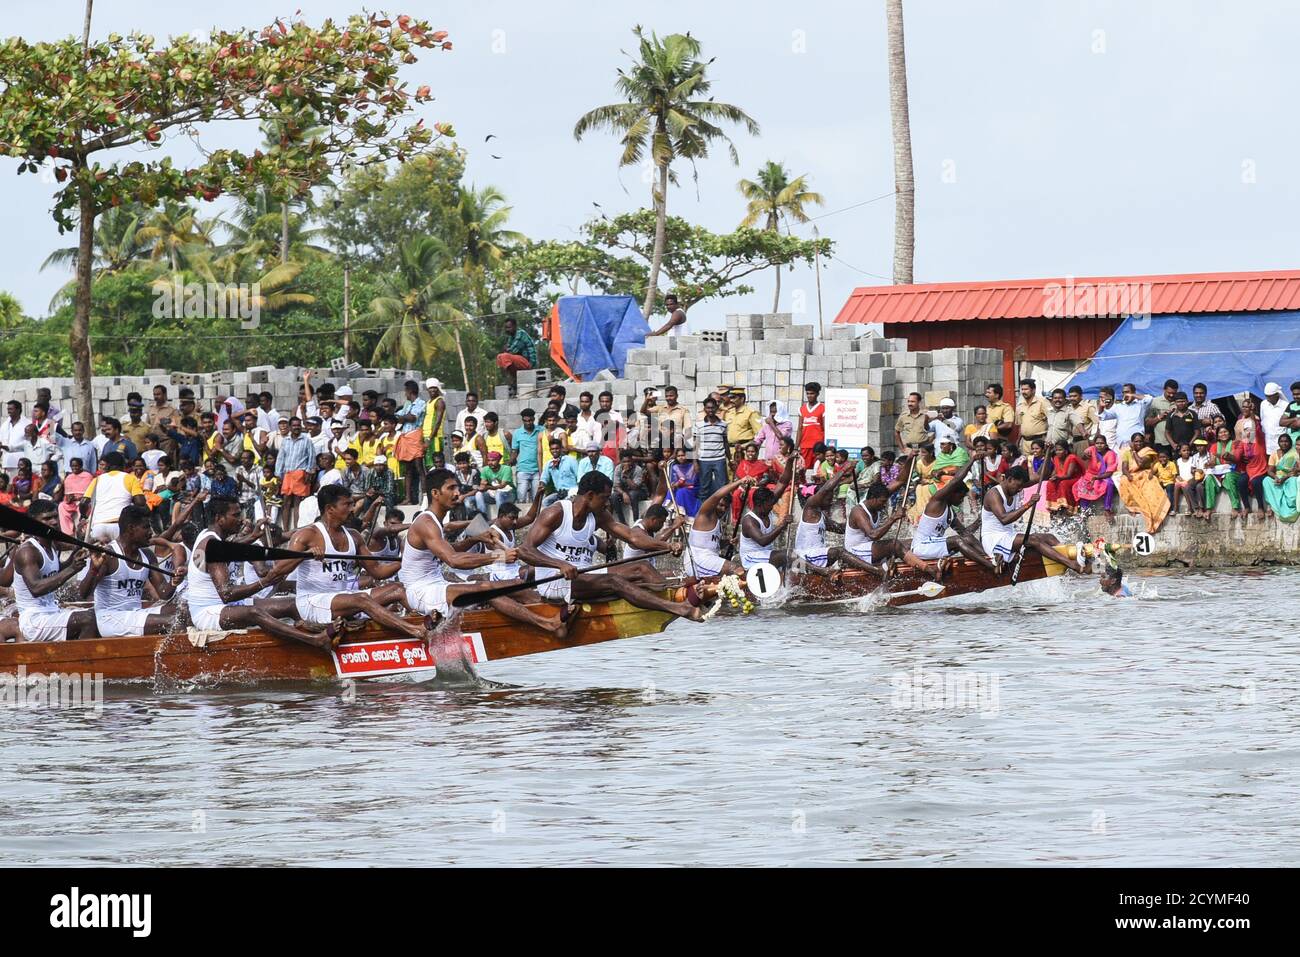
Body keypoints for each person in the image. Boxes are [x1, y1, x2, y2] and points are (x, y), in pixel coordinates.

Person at [518, 471, 702, 619]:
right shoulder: (555, 513)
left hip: (583, 574)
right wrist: (560, 564)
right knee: (614, 581)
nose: (607, 502)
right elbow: (525, 551)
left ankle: (676, 596)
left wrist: (667, 547)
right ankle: (679, 609)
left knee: (642, 568)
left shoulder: (599, 515)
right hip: (553, 581)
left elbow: (632, 537)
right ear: (590, 496)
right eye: (605, 498)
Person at [252, 485, 426, 641]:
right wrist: (304, 555)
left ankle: (426, 624)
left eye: (352, 504)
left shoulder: (354, 536)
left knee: (397, 589)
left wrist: (406, 560)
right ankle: (415, 631)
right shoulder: (306, 535)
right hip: (312, 602)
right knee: (361, 598)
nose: (353, 509)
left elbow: (378, 572)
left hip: (345, 598)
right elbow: (277, 572)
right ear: (330, 509)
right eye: (347, 504)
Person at [77, 505, 179, 637]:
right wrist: (93, 569)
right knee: (173, 621)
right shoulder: (108, 555)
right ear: (131, 528)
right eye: (146, 527)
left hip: (135, 614)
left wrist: (174, 581)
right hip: (111, 619)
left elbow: (164, 593)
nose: (151, 533)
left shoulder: (147, 555)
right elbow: (83, 593)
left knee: (183, 613)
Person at [903, 454, 1000, 580]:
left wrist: (980, 520)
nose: (960, 501)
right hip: (921, 548)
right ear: (952, 493)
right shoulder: (936, 502)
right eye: (960, 497)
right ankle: (990, 566)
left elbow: (965, 533)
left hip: (934, 547)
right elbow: (956, 480)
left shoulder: (950, 513)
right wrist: (972, 459)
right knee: (957, 541)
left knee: (967, 538)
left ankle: (991, 557)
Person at [8, 501, 94, 641]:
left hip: (51, 612)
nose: (54, 522)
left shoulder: (52, 545)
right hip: (34, 620)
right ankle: (80, 662)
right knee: (89, 620)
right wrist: (72, 568)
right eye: (47, 519)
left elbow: (56, 573)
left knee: (95, 614)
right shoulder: (28, 551)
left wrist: (77, 549)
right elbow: (36, 588)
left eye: (55, 517)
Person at [980, 465, 1086, 576]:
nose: (1020, 489)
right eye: (1018, 486)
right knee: (1034, 540)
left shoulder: (1015, 486)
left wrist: (1048, 451)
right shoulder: (994, 494)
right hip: (993, 540)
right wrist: (1028, 504)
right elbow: (1004, 519)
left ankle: (1071, 555)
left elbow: (1041, 476)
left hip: (1008, 535)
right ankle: (1072, 565)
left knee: (1049, 537)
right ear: (1010, 479)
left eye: (1022, 486)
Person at [791, 463, 881, 578]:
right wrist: (843, 470)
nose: (831, 500)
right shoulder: (810, 510)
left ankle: (855, 577)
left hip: (816, 556)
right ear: (819, 498)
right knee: (838, 552)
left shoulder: (821, 516)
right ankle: (877, 571)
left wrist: (858, 519)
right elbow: (826, 488)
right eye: (828, 497)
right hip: (805, 558)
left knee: (847, 556)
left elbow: (841, 529)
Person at [843, 473, 913, 575]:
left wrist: (910, 458)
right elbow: (873, 535)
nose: (884, 505)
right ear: (872, 498)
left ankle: (913, 566)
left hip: (869, 549)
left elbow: (899, 481)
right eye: (882, 502)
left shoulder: (879, 498)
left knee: (911, 543)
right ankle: (926, 569)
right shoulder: (859, 511)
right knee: (894, 544)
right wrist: (893, 517)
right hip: (855, 553)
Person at [737, 459, 797, 570]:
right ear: (760, 504)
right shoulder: (749, 521)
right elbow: (763, 541)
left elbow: (783, 482)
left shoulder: (766, 505)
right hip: (751, 559)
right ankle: (821, 571)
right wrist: (782, 525)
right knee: (786, 555)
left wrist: (790, 460)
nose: (772, 507)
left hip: (765, 555)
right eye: (770, 505)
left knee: (790, 561)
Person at [84, 451, 146, 541]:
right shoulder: (130, 478)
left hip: (98, 526)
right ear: (123, 465)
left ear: (107, 465)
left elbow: (83, 502)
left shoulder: (97, 480)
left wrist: (84, 516)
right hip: (120, 525)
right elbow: (140, 502)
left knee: (99, 555)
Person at [1117, 432, 1171, 534]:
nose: (1138, 443)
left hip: (1144, 473)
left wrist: (1133, 451)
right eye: (1136, 441)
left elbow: (1140, 463)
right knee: (1124, 480)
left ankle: (1155, 513)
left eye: (1140, 441)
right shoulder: (1126, 453)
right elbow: (1124, 468)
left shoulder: (1147, 451)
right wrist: (1128, 475)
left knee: (1150, 482)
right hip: (1132, 475)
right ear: (1132, 442)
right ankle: (1136, 507)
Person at [1204, 424, 1248, 518]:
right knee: (1209, 479)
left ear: (1229, 433)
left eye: (1225, 432)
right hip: (1218, 472)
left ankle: (1235, 507)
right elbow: (1212, 461)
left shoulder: (1236, 443)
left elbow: (1235, 458)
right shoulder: (1214, 446)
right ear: (1217, 435)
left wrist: (1222, 455)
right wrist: (1209, 464)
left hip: (1234, 471)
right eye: (1220, 432)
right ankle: (1209, 508)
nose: (1223, 434)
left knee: (1229, 477)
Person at [1074, 434, 1118, 517]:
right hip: (1090, 475)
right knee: (1082, 484)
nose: (1099, 445)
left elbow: (1109, 472)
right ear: (1094, 444)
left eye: (1102, 443)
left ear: (1106, 444)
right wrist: (1085, 455)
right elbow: (1084, 456)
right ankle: (1084, 510)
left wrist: (1097, 477)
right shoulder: (1092, 449)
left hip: (1103, 476)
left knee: (1109, 484)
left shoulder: (1110, 454)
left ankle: (1107, 509)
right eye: (1097, 443)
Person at [694, 397, 729, 501]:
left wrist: (730, 459)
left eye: (712, 408)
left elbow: (725, 443)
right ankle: (701, 513)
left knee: (723, 487)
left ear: (716, 408)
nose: (710, 410)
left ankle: (723, 512)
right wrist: (695, 462)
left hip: (719, 459)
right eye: (708, 408)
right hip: (704, 460)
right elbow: (695, 444)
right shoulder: (699, 425)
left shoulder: (723, 424)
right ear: (705, 409)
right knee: (704, 487)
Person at [1263, 433, 1299, 523]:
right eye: (1281, 441)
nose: (1284, 443)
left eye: (1286, 441)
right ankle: (1273, 505)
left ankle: (1291, 507)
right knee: (1266, 480)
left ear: (1290, 443)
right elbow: (1270, 471)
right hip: (1278, 478)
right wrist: (1275, 477)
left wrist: (1284, 478)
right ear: (1278, 443)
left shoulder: (1295, 454)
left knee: (1294, 480)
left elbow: (1295, 471)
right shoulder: (1274, 455)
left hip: (1289, 477)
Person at [496, 318, 537, 395]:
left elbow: (512, 350)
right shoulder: (511, 337)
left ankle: (511, 380)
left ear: (515, 326)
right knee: (499, 357)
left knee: (504, 356)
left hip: (528, 363)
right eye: (506, 328)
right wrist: (506, 350)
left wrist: (507, 350)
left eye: (509, 327)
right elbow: (508, 350)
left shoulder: (520, 334)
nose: (507, 330)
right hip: (519, 362)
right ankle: (513, 380)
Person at [509, 408, 542, 504]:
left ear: (534, 419)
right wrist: (511, 460)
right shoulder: (517, 433)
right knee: (521, 498)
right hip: (523, 469)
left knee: (537, 499)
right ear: (522, 420)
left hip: (537, 469)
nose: (528, 423)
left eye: (530, 420)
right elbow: (515, 450)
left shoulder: (541, 430)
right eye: (525, 421)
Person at [1044, 439, 1084, 513]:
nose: (1058, 452)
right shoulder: (1055, 458)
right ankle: (1053, 506)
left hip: (1075, 478)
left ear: (1065, 451)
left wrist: (1058, 477)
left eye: (1060, 450)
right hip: (1061, 478)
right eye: (1056, 450)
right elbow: (1055, 471)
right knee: (1050, 483)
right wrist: (1052, 477)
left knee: (1063, 484)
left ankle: (1067, 506)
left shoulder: (1072, 458)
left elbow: (1069, 475)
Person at [1144, 378, 1180, 457]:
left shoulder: (1179, 402)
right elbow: (1147, 422)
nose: (1171, 395)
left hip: (1176, 443)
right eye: (1169, 393)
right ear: (1164, 389)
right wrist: (1159, 417)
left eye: (1174, 393)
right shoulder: (1155, 402)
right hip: (1161, 442)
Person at [1174, 442, 1209, 519]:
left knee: (1197, 487)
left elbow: (1194, 472)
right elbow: (1191, 470)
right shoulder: (1179, 460)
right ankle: (1194, 508)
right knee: (1186, 486)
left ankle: (1199, 508)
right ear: (1180, 452)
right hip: (1193, 478)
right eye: (1184, 450)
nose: (1187, 452)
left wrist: (1196, 473)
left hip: (1201, 477)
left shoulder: (1207, 455)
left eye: (1188, 450)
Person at [1015, 378, 1049, 455]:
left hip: (1039, 441)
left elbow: (1052, 421)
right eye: (1022, 389)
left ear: (1033, 390)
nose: (1023, 392)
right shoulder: (1020, 405)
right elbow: (1020, 425)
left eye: (1026, 389)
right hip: (1025, 443)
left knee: (1040, 465)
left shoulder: (1042, 402)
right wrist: (1018, 441)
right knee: (1027, 465)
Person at [797, 383, 825, 470]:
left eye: (812, 393)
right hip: (805, 445)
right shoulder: (802, 409)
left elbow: (825, 428)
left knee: (817, 470)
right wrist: (796, 447)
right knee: (803, 470)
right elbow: (799, 429)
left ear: (817, 394)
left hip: (818, 445)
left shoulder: (823, 408)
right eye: (808, 393)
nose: (809, 396)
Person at [1260, 383, 1288, 455]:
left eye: (1270, 396)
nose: (1268, 399)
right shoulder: (1263, 404)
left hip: (1282, 440)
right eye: (1266, 396)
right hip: (1268, 440)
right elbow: (1263, 419)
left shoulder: (1285, 405)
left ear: (1277, 394)